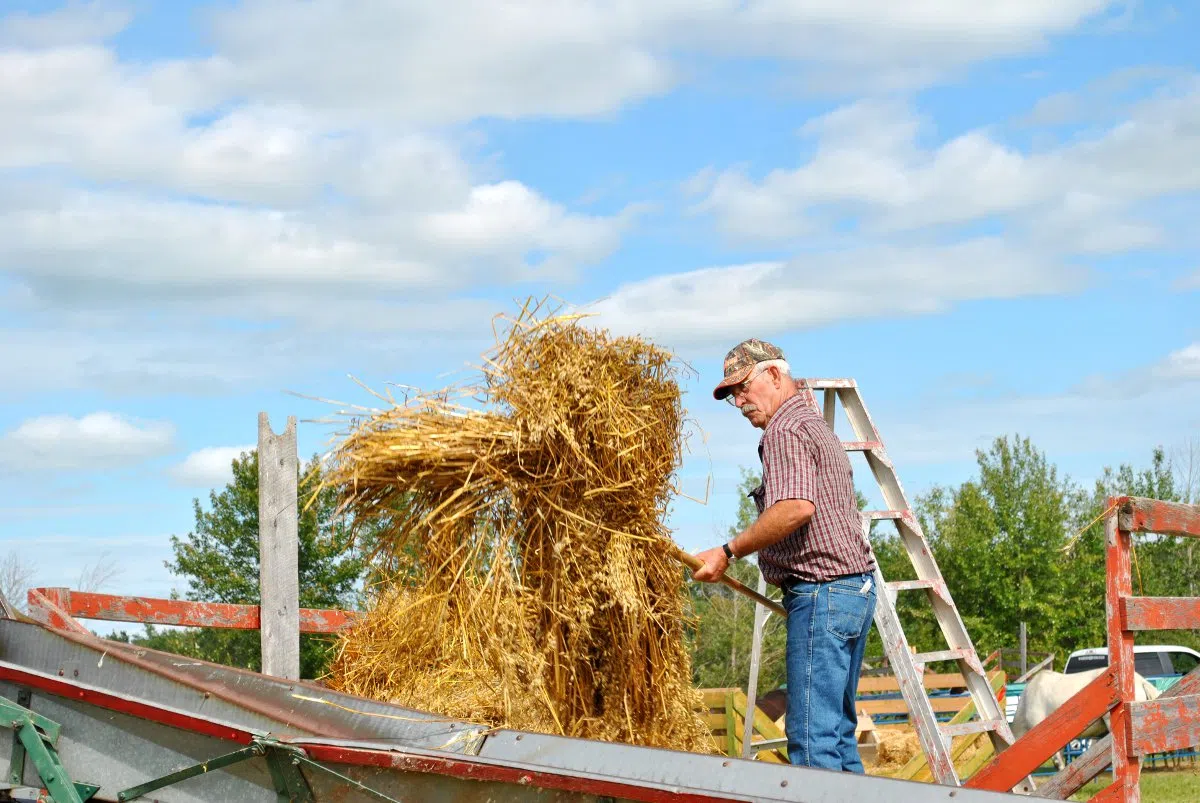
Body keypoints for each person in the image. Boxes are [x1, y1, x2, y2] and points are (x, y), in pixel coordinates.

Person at [692, 338, 878, 773]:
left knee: (813, 745)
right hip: (854, 590)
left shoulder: (785, 430)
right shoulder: (814, 425)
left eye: (742, 388)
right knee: (835, 738)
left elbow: (795, 507)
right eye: (731, 396)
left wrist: (727, 551)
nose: (739, 403)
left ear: (774, 375)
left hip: (822, 594)